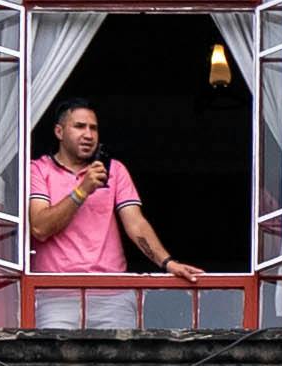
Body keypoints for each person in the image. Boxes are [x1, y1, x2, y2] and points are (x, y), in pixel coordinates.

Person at [27, 100, 205, 328]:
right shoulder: (38, 170)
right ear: (59, 132)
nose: (89, 135)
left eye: (94, 128)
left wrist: (167, 262)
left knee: (120, 363)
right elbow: (40, 228)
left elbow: (136, 223)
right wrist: (83, 190)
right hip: (56, 295)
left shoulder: (115, 171)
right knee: (56, 363)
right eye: (80, 127)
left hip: (112, 295)